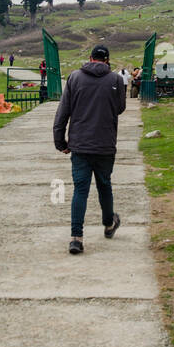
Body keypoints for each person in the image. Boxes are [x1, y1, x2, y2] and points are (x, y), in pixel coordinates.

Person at [53, 44, 126, 255]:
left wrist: (60, 141)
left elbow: (63, 111)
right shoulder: (115, 80)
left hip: (80, 145)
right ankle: (108, 223)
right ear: (107, 60)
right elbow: (120, 108)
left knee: (80, 190)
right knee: (104, 185)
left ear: (90, 58)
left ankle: (76, 238)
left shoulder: (75, 77)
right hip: (105, 144)